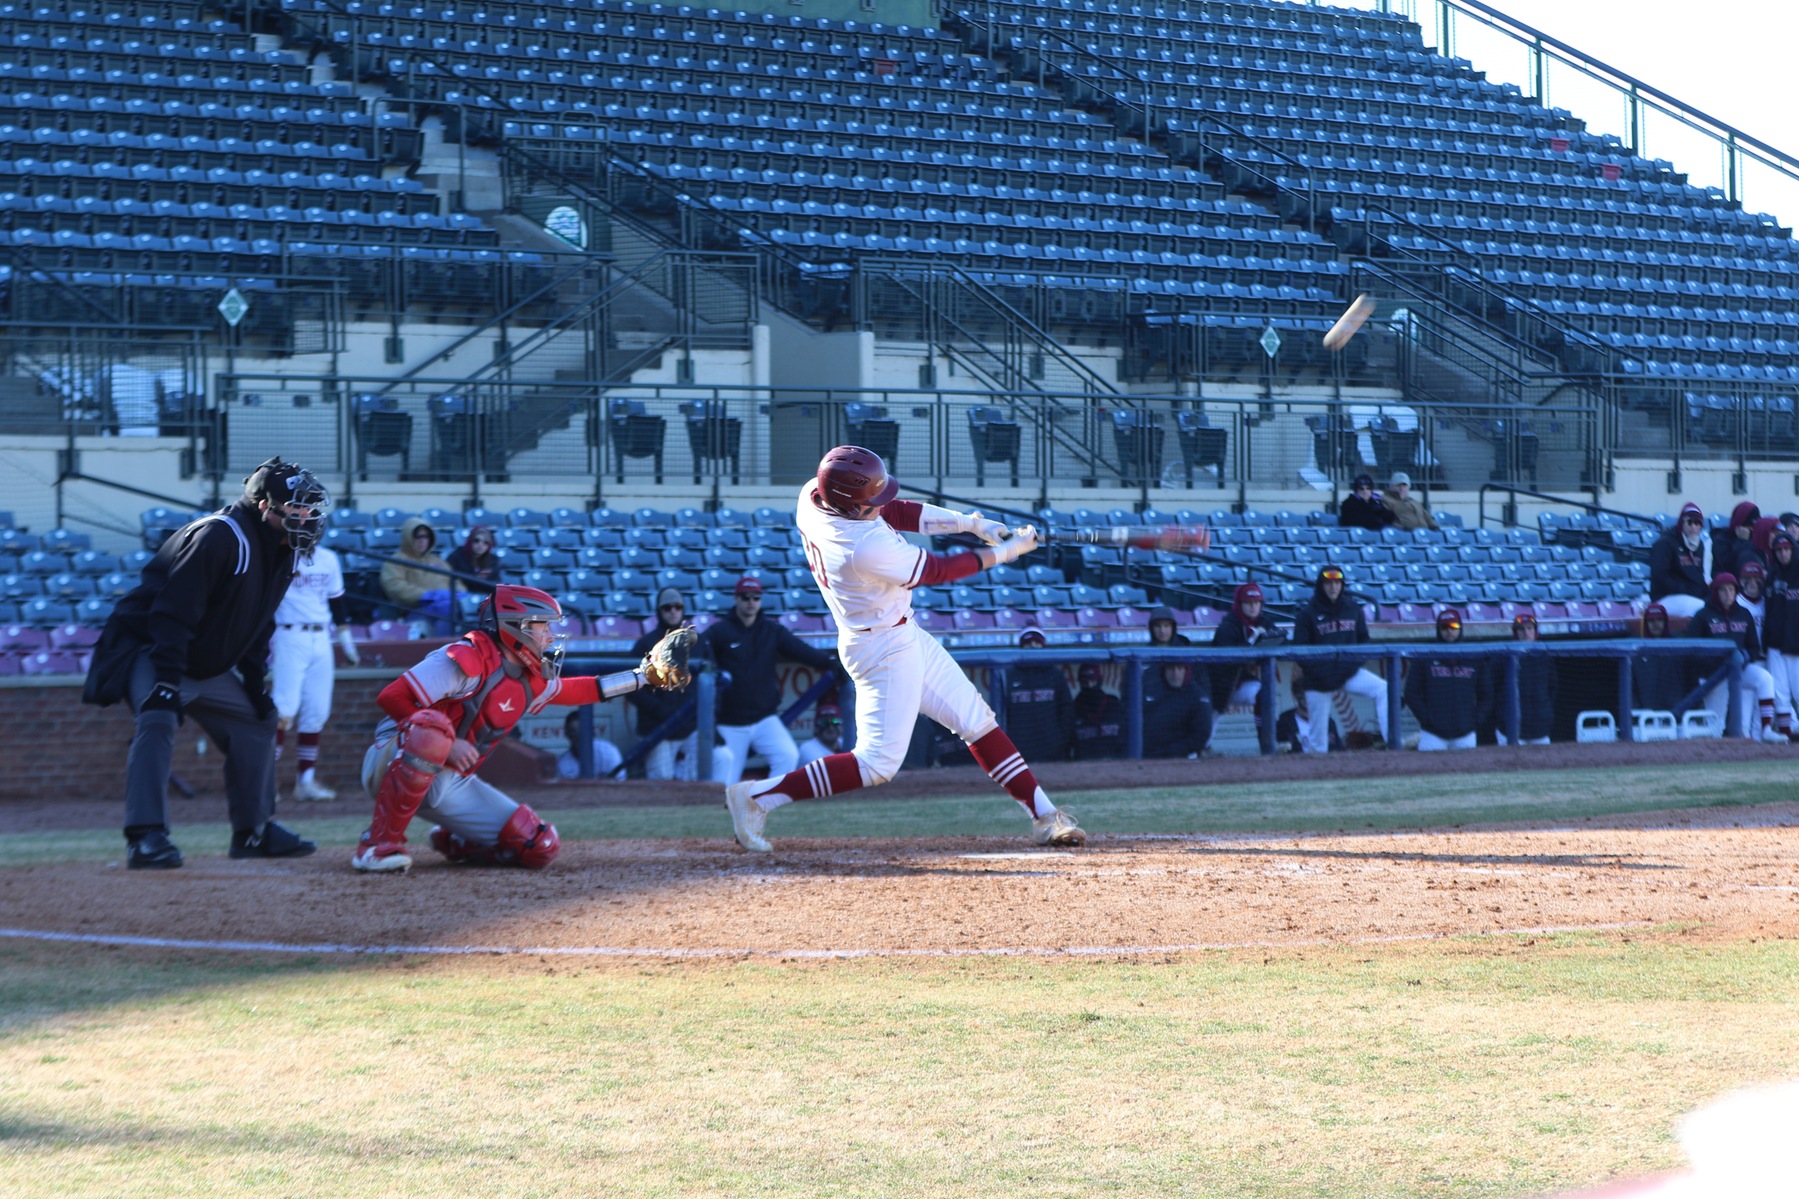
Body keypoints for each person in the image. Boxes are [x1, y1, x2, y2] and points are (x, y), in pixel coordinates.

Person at [724, 445, 1097, 852]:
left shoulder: (816, 492)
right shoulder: (860, 547)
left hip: (901, 632)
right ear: (850, 507)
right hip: (880, 647)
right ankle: (758, 797)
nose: (878, 505)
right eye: (869, 502)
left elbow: (895, 509)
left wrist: (972, 524)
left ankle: (1045, 816)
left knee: (977, 720)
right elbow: (938, 570)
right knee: (876, 764)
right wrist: (1005, 552)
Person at [82, 457, 326, 868]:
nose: (307, 516)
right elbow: (171, 613)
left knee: (257, 719)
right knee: (158, 718)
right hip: (152, 650)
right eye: (297, 507)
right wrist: (164, 682)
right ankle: (145, 836)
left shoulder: (281, 548)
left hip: (201, 662)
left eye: (309, 507)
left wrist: (254, 684)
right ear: (266, 507)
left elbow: (257, 623)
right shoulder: (220, 536)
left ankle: (254, 832)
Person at [352, 584, 688, 872]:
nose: (550, 637)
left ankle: (455, 839)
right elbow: (392, 697)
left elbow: (579, 689)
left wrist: (643, 677)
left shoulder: (528, 679)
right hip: (394, 757)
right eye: (544, 627)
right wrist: (450, 743)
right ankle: (378, 845)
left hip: (449, 781)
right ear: (518, 626)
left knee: (538, 844)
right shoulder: (466, 657)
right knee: (432, 731)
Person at [701, 576, 837, 784]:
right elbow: (699, 653)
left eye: (756, 597)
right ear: (736, 599)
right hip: (731, 722)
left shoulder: (771, 630)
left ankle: (767, 801)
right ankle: (724, 814)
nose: (751, 602)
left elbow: (800, 650)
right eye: (746, 597)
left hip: (764, 719)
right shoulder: (720, 632)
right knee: (726, 781)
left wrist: (830, 662)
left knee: (788, 755)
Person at [271, 540, 360, 800]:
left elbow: (338, 603)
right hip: (290, 634)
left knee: (317, 711)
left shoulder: (329, 558)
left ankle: (305, 781)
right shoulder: (281, 555)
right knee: (284, 708)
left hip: (322, 638)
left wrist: (347, 644)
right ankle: (265, 780)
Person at [630, 588, 734, 782]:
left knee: (723, 757)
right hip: (658, 727)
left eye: (677, 607)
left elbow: (713, 683)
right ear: (659, 611)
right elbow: (631, 687)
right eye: (667, 607)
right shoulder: (645, 644)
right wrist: (658, 709)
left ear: (683, 610)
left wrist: (709, 723)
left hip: (691, 725)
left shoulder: (699, 642)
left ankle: (711, 804)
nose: (672, 611)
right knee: (661, 778)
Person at [1290, 564, 1389, 752]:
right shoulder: (1307, 613)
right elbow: (1300, 651)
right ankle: (1316, 774)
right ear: (1320, 585)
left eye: (1337, 582)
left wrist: (1351, 665)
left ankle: (1391, 741)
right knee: (1318, 743)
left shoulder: (1352, 608)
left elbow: (1363, 641)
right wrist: (1322, 674)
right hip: (1319, 680)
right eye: (1328, 583)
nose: (1333, 587)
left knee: (1383, 689)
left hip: (1348, 673)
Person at [1687, 573, 1782, 743]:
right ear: (1715, 592)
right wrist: (1713, 664)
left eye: (1731, 590)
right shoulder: (1702, 615)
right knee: (1716, 724)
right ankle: (1712, 756)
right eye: (1723, 590)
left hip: (1738, 670)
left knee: (1765, 679)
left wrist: (1746, 656)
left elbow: (1754, 647)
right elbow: (1692, 649)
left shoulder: (1744, 614)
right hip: (1714, 675)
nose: (1728, 594)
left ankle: (1766, 729)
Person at [1402, 609, 1489, 750]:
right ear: (1438, 630)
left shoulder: (1474, 659)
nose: (1449, 631)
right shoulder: (1425, 657)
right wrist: (1426, 719)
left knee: (1468, 771)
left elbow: (1486, 695)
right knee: (1428, 770)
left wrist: (1476, 721)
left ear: (1460, 628)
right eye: (1444, 627)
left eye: (1453, 626)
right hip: (1432, 734)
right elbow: (1411, 693)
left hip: (1465, 733)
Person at [1209, 582, 1284, 715]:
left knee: (1264, 695)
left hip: (1245, 682)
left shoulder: (1264, 622)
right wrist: (1252, 640)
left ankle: (1265, 735)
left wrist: (1269, 638)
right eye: (1248, 603)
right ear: (1240, 604)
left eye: (1257, 602)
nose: (1253, 607)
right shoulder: (1227, 627)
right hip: (1220, 687)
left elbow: (1282, 640)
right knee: (1208, 729)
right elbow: (1228, 660)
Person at [1004, 626, 1073, 763]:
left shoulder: (1055, 675)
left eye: (1037, 644)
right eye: (1028, 644)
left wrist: (1060, 740)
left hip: (1052, 751)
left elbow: (1067, 711)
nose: (1033, 647)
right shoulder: (1009, 676)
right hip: (1019, 752)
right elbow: (1002, 713)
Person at [380, 516, 454, 631]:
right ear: (408, 537)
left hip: (448, 607)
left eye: (425, 536)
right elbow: (394, 585)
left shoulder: (439, 562)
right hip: (415, 610)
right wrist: (425, 596)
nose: (422, 540)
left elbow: (455, 582)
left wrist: (459, 595)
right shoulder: (395, 561)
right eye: (417, 536)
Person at [1496, 612, 1556, 746]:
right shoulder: (1503, 656)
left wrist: (1545, 713)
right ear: (1515, 633)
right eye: (1521, 629)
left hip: (1540, 728)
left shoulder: (1544, 656)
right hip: (1511, 729)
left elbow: (1552, 688)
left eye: (1529, 628)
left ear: (1535, 631)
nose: (1526, 632)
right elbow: (1493, 687)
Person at [1763, 533, 1799, 737]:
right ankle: (1787, 735)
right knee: (1780, 692)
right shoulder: (1772, 574)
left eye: (1787, 549)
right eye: (1779, 550)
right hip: (1776, 644)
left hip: (1796, 645)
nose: (1784, 553)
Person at [1648, 502, 1710, 618]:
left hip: (1690, 595)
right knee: (1701, 609)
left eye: (1697, 523)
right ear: (1682, 523)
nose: (1693, 527)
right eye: (1689, 522)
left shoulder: (1699, 545)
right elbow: (1660, 576)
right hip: (1665, 597)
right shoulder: (1665, 544)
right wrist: (1686, 589)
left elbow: (1699, 576)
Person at [1141, 660, 1212, 758]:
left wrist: (1172, 751)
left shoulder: (1197, 697)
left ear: (1186, 671)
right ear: (1164, 671)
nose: (1175, 674)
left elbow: (1201, 735)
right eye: (1171, 669)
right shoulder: (1151, 691)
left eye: (1179, 669)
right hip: (1148, 756)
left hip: (1183, 758)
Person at [1632, 603, 1692, 712]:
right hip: (1646, 715)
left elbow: (1690, 680)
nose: (1656, 624)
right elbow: (1632, 686)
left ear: (1665, 622)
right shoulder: (1637, 650)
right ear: (1646, 623)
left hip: (1677, 712)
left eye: (1659, 620)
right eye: (1651, 621)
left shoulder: (1679, 647)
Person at [1070, 663, 1124, 759]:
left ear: (1099, 681)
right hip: (1083, 764)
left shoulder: (1113, 704)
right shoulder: (1074, 708)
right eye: (1085, 683)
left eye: (1093, 681)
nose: (1090, 686)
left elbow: (1126, 737)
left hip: (1114, 761)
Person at [556, 708, 624, 781]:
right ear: (567, 734)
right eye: (574, 734)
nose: (579, 739)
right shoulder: (563, 764)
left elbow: (620, 784)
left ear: (592, 733)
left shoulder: (609, 752)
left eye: (583, 733)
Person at [1711, 501, 1763, 580]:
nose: (1750, 531)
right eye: (1748, 527)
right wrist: (1742, 541)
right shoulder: (1721, 540)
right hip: (1728, 583)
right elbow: (1727, 565)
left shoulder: (1755, 538)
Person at [444, 525, 502, 594]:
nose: (480, 545)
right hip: (460, 596)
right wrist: (476, 578)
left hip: (484, 597)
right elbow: (448, 579)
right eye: (476, 540)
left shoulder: (493, 560)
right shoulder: (457, 556)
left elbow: (495, 585)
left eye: (485, 542)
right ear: (470, 541)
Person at [796, 703, 844, 767]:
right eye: (824, 723)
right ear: (816, 728)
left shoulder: (847, 743)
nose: (830, 728)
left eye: (835, 722)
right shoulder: (808, 749)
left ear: (842, 726)